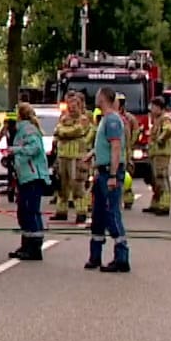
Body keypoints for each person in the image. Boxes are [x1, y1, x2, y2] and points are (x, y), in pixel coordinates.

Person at [86, 89, 131, 272]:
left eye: (98, 95)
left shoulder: (112, 120)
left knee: (112, 213)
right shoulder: (105, 119)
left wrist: (113, 175)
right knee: (98, 215)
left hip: (109, 173)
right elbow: (105, 145)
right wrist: (92, 154)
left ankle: (121, 258)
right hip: (101, 172)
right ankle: (95, 256)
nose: (96, 98)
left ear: (104, 98)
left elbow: (115, 147)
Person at [7, 103, 50, 260]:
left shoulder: (28, 129)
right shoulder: (20, 130)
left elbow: (35, 148)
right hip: (25, 176)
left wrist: (15, 150)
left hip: (33, 176)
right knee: (23, 212)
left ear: (20, 114)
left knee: (31, 211)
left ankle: (35, 247)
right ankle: (26, 244)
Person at [52, 92, 95, 224]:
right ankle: (61, 211)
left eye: (74, 106)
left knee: (77, 186)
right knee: (62, 186)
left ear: (80, 106)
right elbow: (57, 131)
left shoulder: (84, 119)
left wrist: (64, 132)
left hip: (77, 157)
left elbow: (77, 131)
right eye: (69, 106)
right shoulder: (63, 119)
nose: (71, 109)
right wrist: (63, 132)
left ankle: (81, 212)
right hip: (63, 156)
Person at [146, 95, 171, 216]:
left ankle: (164, 205)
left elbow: (168, 130)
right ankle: (156, 203)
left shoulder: (165, 119)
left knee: (162, 178)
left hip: (162, 153)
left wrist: (159, 140)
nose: (151, 109)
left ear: (159, 107)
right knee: (156, 179)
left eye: (153, 107)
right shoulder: (157, 119)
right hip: (155, 154)